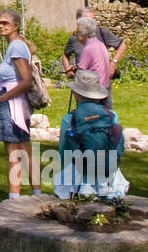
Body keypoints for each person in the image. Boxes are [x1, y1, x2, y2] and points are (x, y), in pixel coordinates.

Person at [53, 69, 129, 199]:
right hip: (108, 174)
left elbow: (64, 153)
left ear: (76, 94)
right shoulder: (111, 116)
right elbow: (119, 147)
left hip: (79, 174)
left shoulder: (69, 119)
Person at [0, 8, 38, 199]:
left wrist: (4, 97)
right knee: (24, 149)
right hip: (15, 102)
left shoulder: (17, 47)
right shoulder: (15, 45)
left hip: (12, 103)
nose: (1, 26)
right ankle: (36, 193)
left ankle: (14, 198)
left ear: (16, 26)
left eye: (6, 23)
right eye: (0, 23)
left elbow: (27, 80)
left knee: (13, 151)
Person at [61, 7, 126, 79]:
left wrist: (113, 63)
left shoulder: (102, 32)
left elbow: (122, 45)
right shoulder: (74, 39)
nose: (94, 22)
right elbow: (65, 55)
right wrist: (68, 70)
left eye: (94, 19)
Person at [73, 16, 114, 110]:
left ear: (84, 33)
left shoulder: (89, 48)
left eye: (78, 30)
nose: (75, 33)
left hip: (92, 91)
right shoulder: (100, 44)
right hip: (105, 87)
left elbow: (80, 74)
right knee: (107, 117)